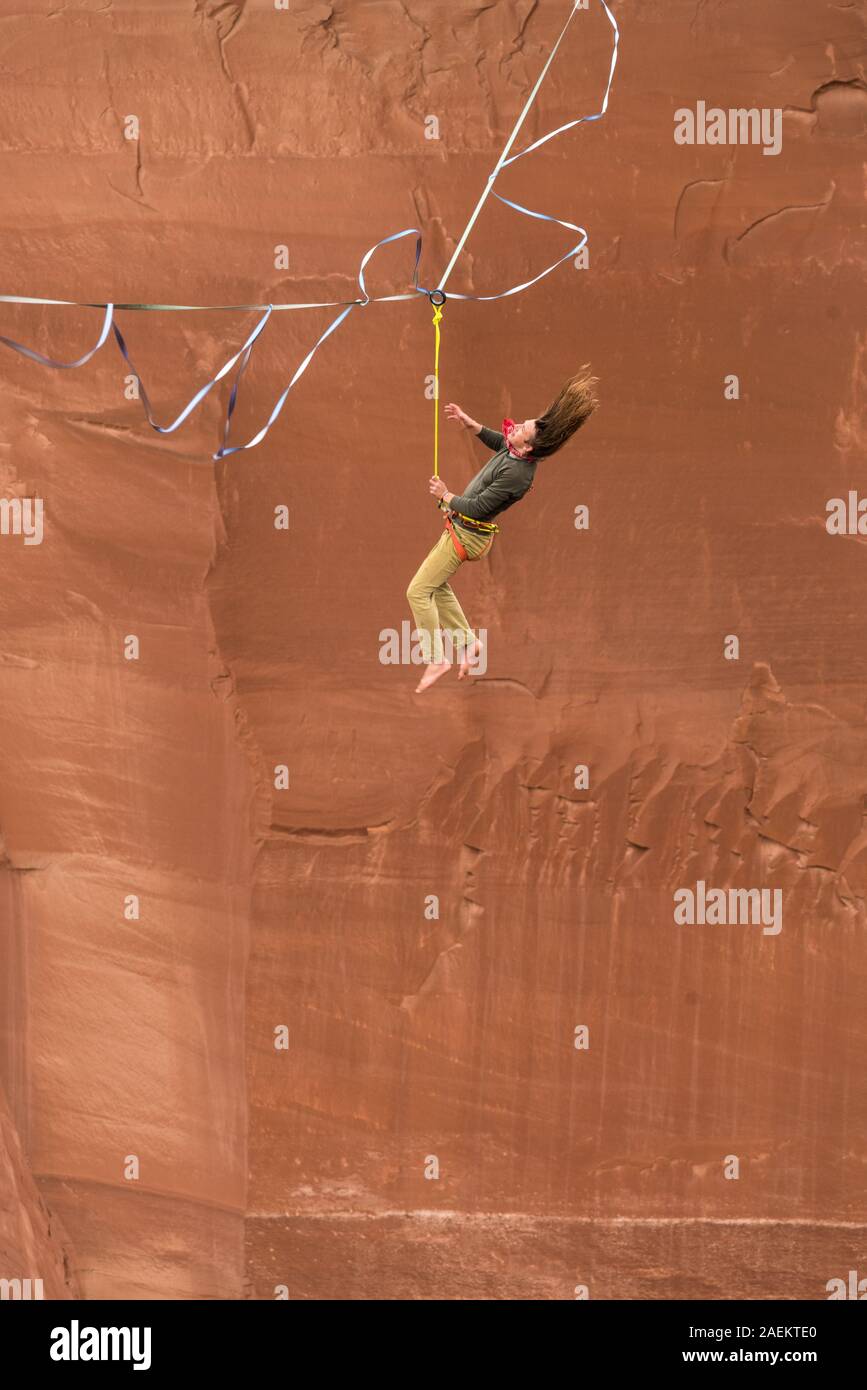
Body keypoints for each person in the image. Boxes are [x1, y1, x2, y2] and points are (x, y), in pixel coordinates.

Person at [406, 367, 600, 693]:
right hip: (465, 531)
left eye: (522, 428)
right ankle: (468, 645)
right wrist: (472, 425)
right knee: (436, 588)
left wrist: (446, 496)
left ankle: (437, 658)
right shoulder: (517, 453)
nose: (517, 426)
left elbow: (479, 506)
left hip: (467, 533)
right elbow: (501, 443)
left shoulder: (518, 475)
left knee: (416, 591)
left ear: (526, 449)